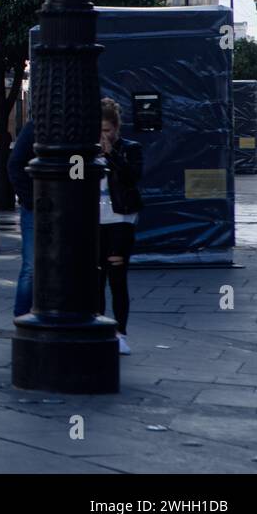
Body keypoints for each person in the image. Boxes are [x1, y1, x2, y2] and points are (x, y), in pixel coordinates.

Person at [96, 97, 143, 356]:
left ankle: (121, 332)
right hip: (95, 220)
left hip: (120, 219)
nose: (104, 136)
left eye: (107, 130)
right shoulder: (88, 152)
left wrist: (111, 155)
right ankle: (100, 327)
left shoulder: (129, 149)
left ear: (116, 128)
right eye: (100, 131)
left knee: (117, 277)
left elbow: (132, 177)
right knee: (96, 277)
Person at [8, 117, 36, 317]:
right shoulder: (35, 128)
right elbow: (15, 164)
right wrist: (28, 198)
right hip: (34, 207)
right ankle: (21, 316)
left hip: (66, 207)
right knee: (31, 266)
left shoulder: (74, 127)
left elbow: (76, 166)